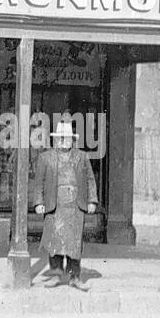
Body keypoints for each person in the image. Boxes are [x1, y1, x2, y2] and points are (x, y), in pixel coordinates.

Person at [29, 120, 98, 289]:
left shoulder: (82, 156)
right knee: (55, 241)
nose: (63, 140)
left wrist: (92, 200)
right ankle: (56, 275)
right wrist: (38, 202)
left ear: (72, 139)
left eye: (66, 137)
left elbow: (90, 179)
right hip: (55, 205)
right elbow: (39, 183)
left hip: (75, 206)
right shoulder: (45, 157)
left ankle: (75, 277)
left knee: (74, 243)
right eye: (60, 137)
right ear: (55, 139)